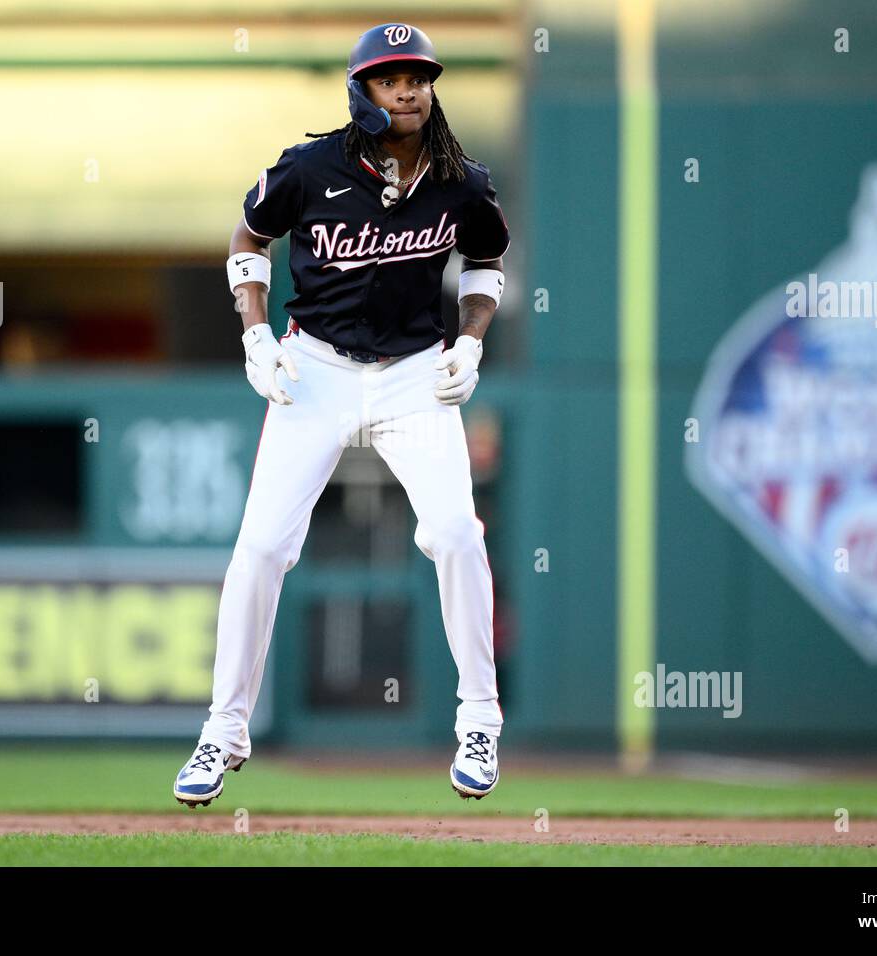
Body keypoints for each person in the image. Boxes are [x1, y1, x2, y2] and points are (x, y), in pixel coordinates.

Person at [175, 22, 511, 807]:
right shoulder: (311, 165)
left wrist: (470, 342)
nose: (410, 89)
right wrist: (255, 331)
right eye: (392, 77)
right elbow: (249, 237)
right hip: (316, 366)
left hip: (415, 371)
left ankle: (480, 719)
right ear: (362, 89)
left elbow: (487, 259)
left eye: (420, 77)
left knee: (458, 533)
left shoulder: (462, 179)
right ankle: (222, 733)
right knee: (259, 548)